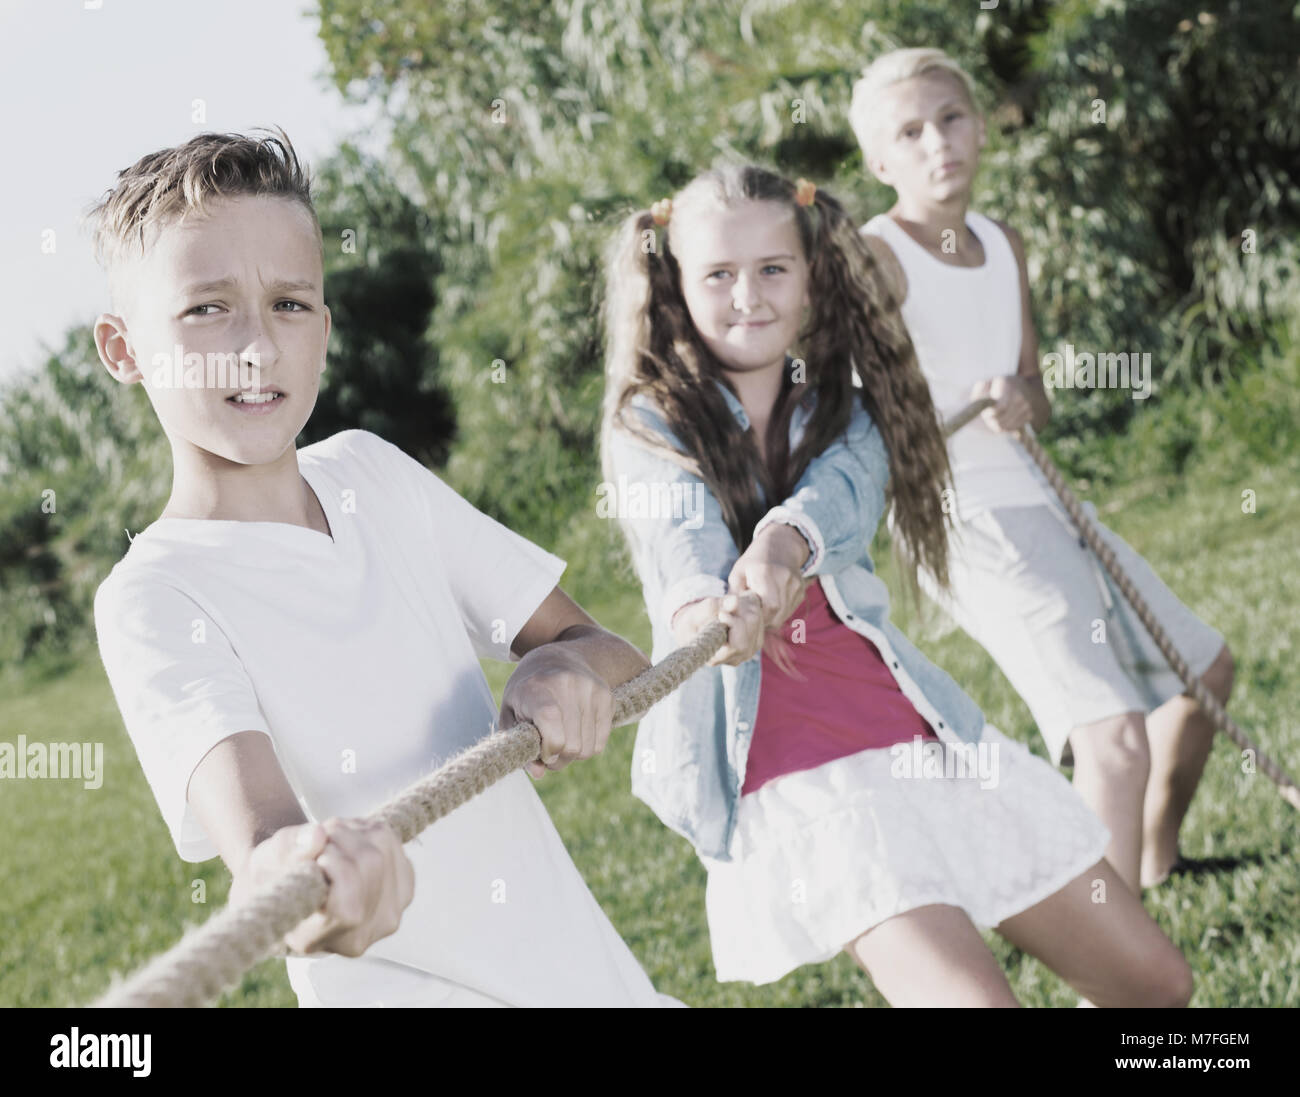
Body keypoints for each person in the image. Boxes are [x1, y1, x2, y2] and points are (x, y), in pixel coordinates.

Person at [88, 126, 684, 1007]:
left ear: (324, 330)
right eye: (207, 308)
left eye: (290, 303)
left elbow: (612, 653)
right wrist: (311, 878)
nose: (258, 346)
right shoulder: (154, 595)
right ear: (124, 349)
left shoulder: (372, 473)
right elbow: (265, 850)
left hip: (584, 980)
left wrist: (559, 666)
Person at [598, 161, 1194, 1006]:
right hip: (800, 774)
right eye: (719, 274)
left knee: (1157, 984)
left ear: (811, 276)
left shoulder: (843, 407)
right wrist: (705, 605)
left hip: (915, 728)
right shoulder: (649, 422)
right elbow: (677, 535)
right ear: (677, 284)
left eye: (773, 268)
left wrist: (781, 543)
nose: (748, 296)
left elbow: (844, 492)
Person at [849, 48, 1235, 893]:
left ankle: (1155, 863)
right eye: (908, 133)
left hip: (1043, 497)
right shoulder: (875, 258)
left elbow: (1037, 391)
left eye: (951, 117)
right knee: (1113, 738)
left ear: (980, 127)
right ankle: (1116, 952)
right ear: (880, 163)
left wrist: (1024, 395)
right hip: (968, 517)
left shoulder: (1002, 243)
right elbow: (844, 402)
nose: (936, 142)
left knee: (1204, 671)